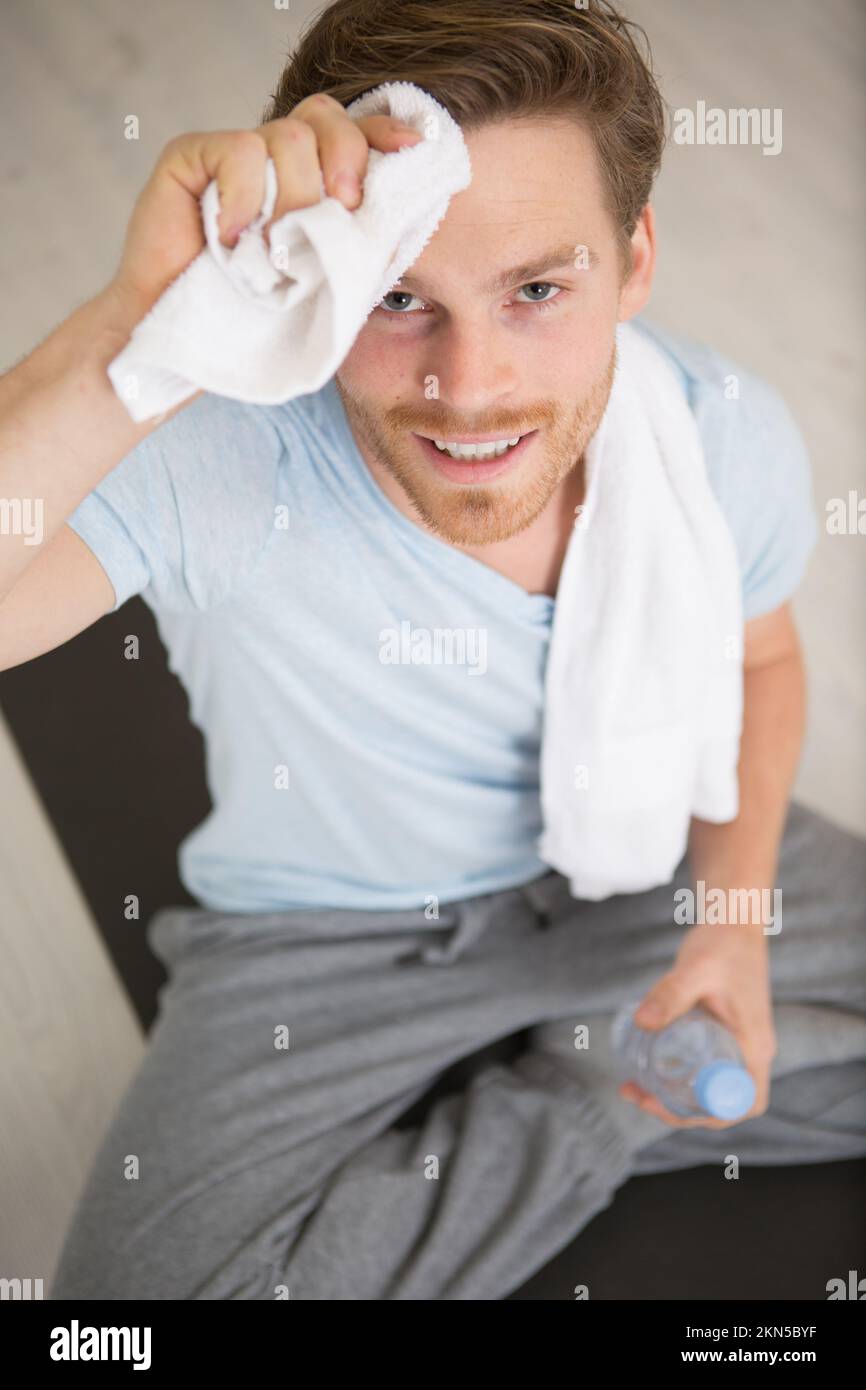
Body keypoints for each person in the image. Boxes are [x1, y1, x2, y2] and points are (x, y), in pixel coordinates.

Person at [2, 0, 863, 1300]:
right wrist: (131, 322)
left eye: (535, 289)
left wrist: (728, 925)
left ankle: (600, 1058)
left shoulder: (718, 430)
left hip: (639, 864)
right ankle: (596, 1094)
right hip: (328, 937)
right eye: (398, 298)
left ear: (632, 260)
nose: (466, 386)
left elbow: (760, 668)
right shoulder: (223, 450)